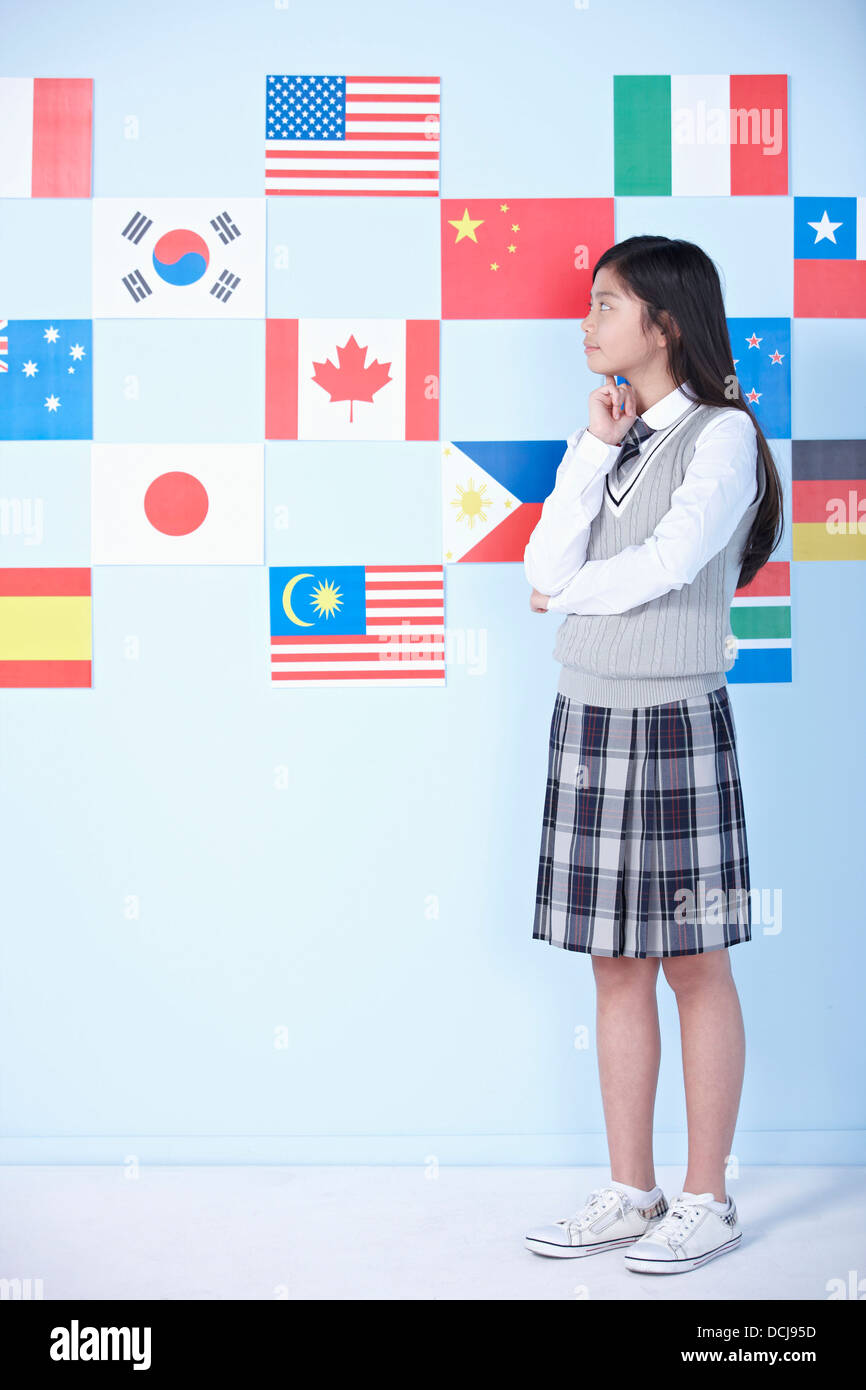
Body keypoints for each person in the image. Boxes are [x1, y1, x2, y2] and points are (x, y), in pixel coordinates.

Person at [522, 235, 784, 1275]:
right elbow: (546, 556)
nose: (585, 323)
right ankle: (631, 1191)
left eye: (605, 304)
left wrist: (558, 596)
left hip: (671, 720)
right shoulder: (609, 434)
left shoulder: (721, 437)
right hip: (583, 718)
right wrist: (589, 453)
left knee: (691, 959)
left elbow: (669, 565)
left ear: (662, 323)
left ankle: (704, 1197)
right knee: (613, 961)